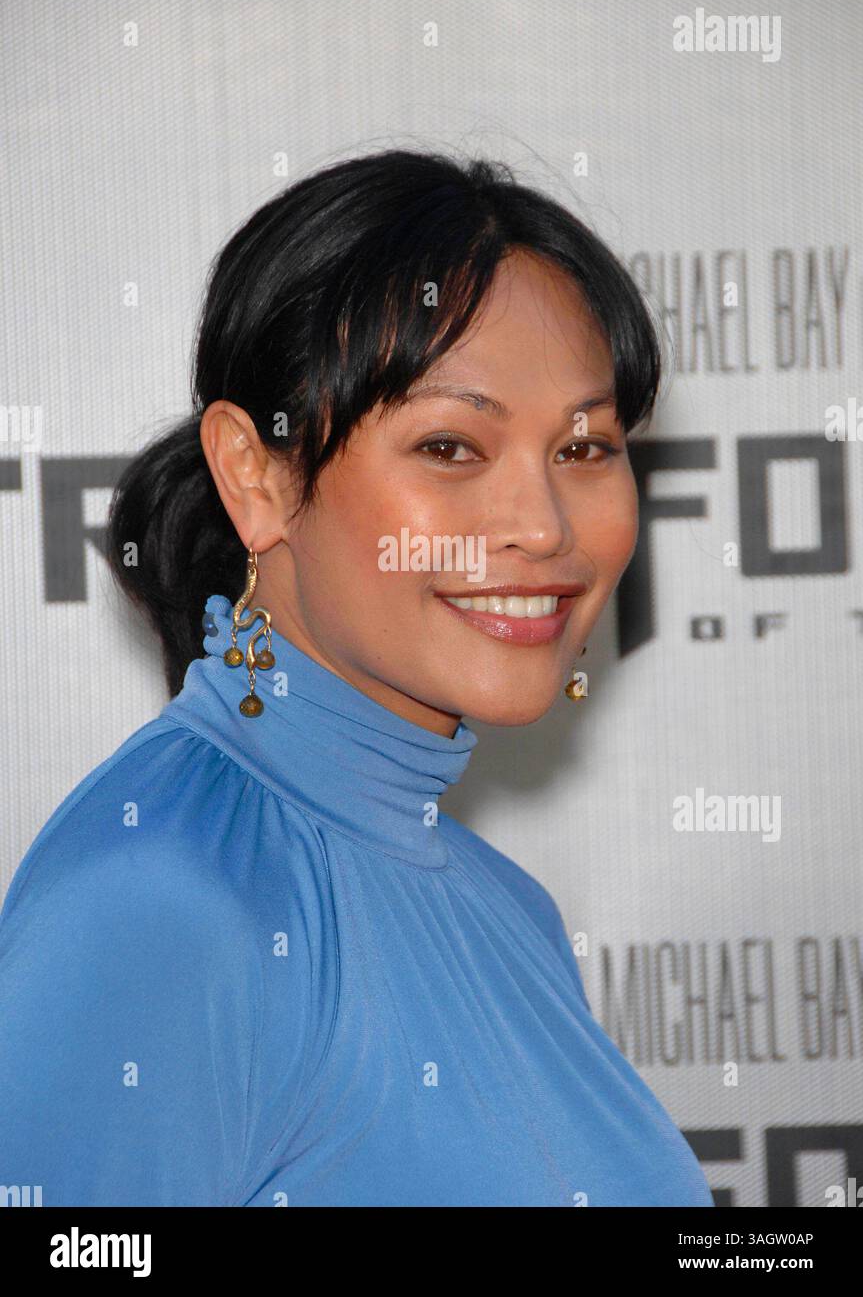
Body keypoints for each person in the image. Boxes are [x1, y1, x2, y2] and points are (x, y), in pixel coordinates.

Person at [0, 148, 714, 1207]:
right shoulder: (161, 906)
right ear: (254, 474)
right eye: (449, 446)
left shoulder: (507, 907)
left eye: (583, 448)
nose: (542, 527)